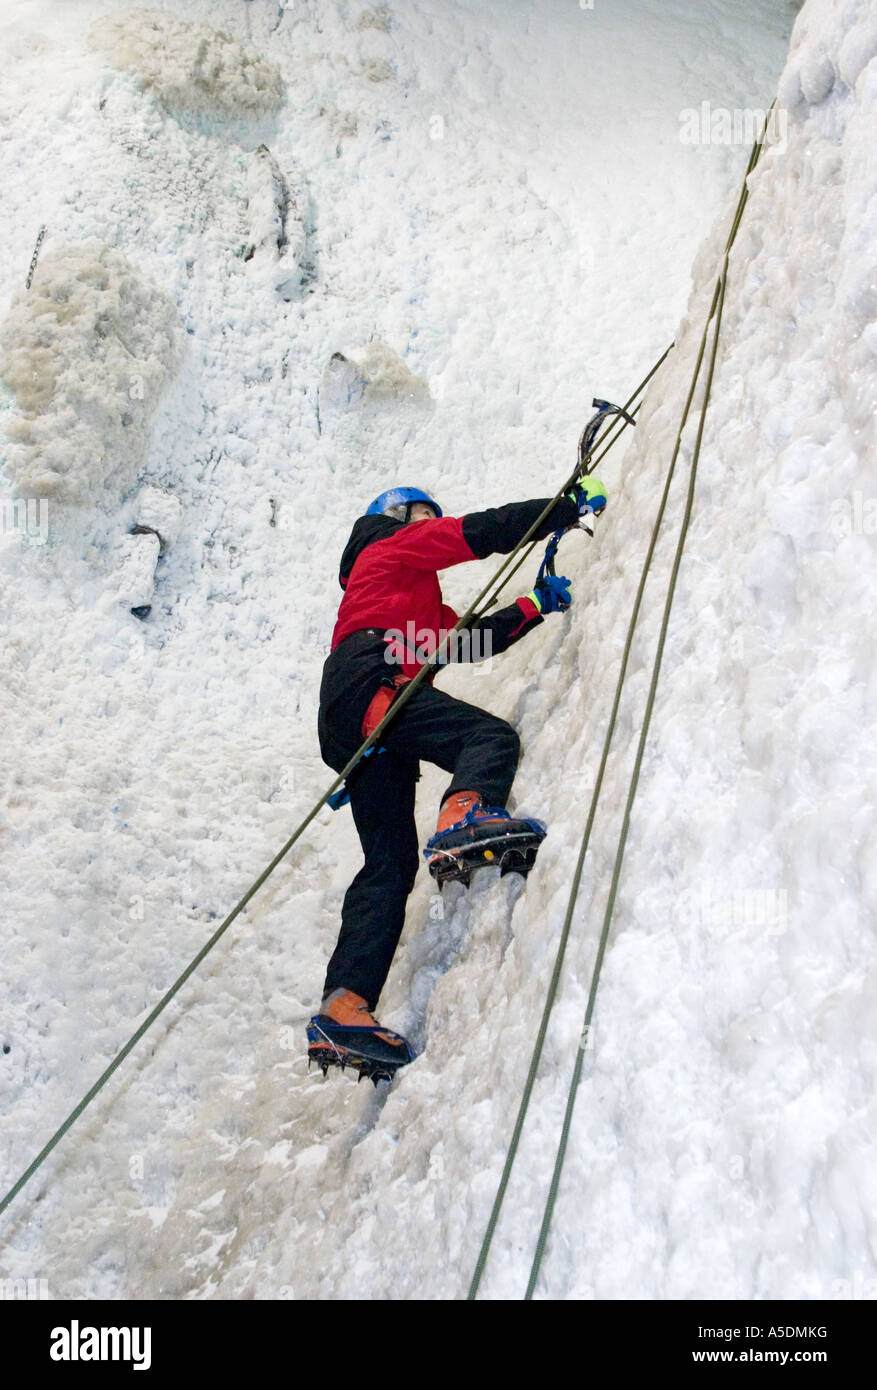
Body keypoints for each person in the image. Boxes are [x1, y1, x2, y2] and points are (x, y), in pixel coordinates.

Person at [307, 477, 607, 1080]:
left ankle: (343, 1005)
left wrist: (533, 606)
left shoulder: (401, 600)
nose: (426, 522)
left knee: (389, 866)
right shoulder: (387, 549)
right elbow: (479, 532)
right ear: (395, 516)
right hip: (375, 678)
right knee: (490, 739)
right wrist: (560, 507)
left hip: (354, 707)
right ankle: (464, 814)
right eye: (420, 513)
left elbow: (465, 642)